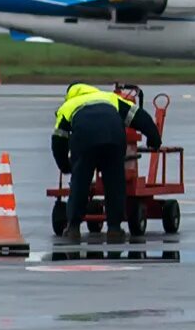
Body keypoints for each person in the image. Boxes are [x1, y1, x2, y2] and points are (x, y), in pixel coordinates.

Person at [52, 81, 160, 240]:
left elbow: (58, 139)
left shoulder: (68, 106)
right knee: (115, 183)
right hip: (113, 138)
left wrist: (65, 166)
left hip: (85, 141)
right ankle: (114, 229)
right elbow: (138, 116)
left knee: (80, 183)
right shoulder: (109, 97)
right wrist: (154, 138)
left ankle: (73, 228)